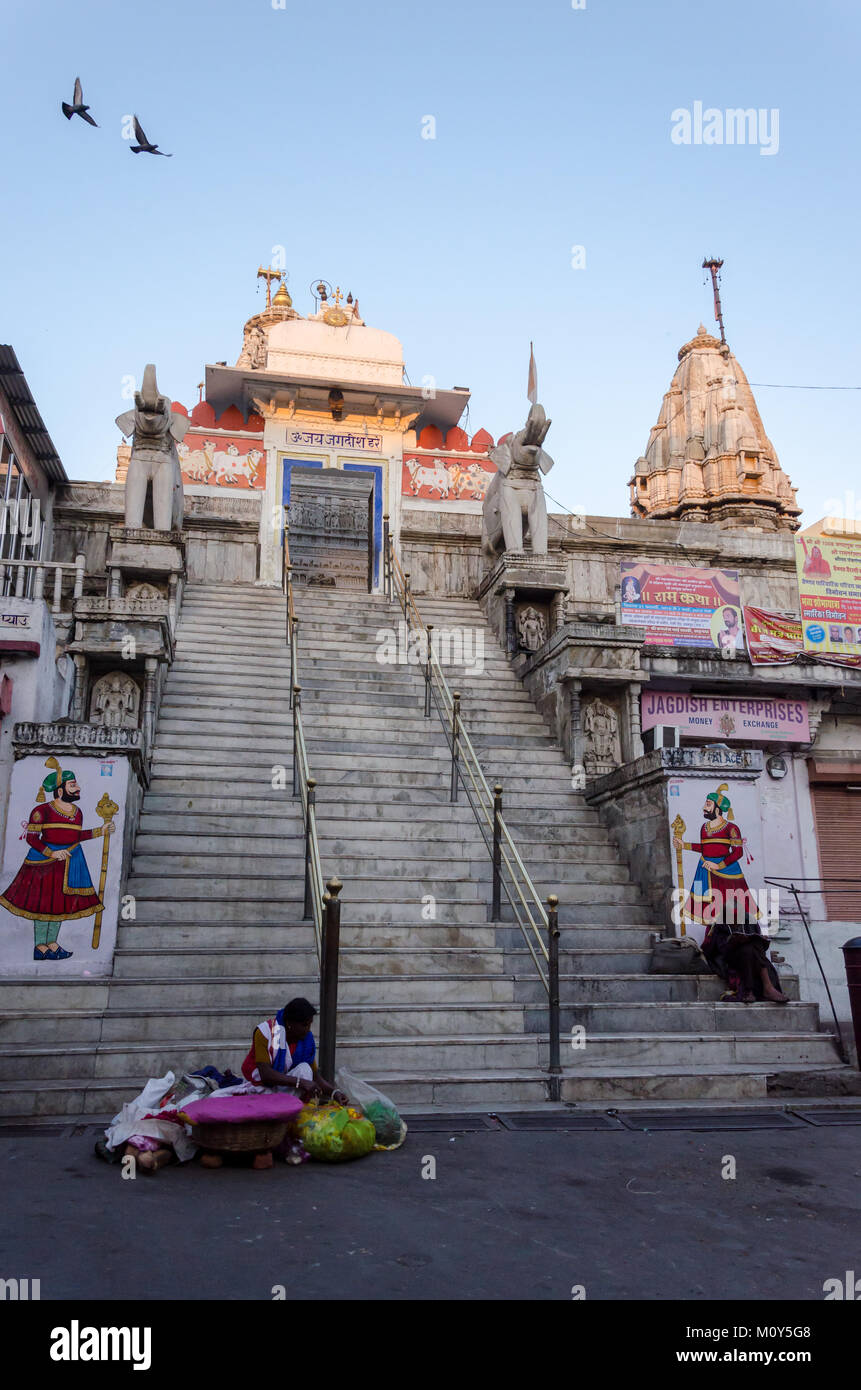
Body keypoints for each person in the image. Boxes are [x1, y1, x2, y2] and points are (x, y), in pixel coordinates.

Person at [674, 784, 788, 1004]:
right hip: (708, 871)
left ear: (718, 807)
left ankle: (755, 988)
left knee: (744, 922)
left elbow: (736, 852)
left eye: (708, 803)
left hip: (728, 872)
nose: (705, 807)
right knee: (715, 912)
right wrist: (684, 845)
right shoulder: (705, 827)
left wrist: (719, 866)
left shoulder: (731, 827)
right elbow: (705, 848)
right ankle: (762, 987)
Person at [0, 756, 114, 960]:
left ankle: (52, 943)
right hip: (43, 864)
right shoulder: (41, 810)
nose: (77, 788)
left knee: (59, 905)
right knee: (42, 906)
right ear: (60, 790)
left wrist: (100, 831)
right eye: (73, 785)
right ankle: (39, 946)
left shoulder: (77, 812)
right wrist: (51, 853)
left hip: (69, 861)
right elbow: (32, 838)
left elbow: (75, 836)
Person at [241, 997, 348, 1104]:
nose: (308, 1030)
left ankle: (287, 1109)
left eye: (310, 1024)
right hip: (260, 1088)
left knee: (305, 1069)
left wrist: (335, 1093)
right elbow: (266, 1074)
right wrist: (299, 1082)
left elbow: (315, 1076)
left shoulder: (306, 1040)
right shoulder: (266, 1032)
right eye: (304, 1025)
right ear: (289, 1023)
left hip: (283, 1090)